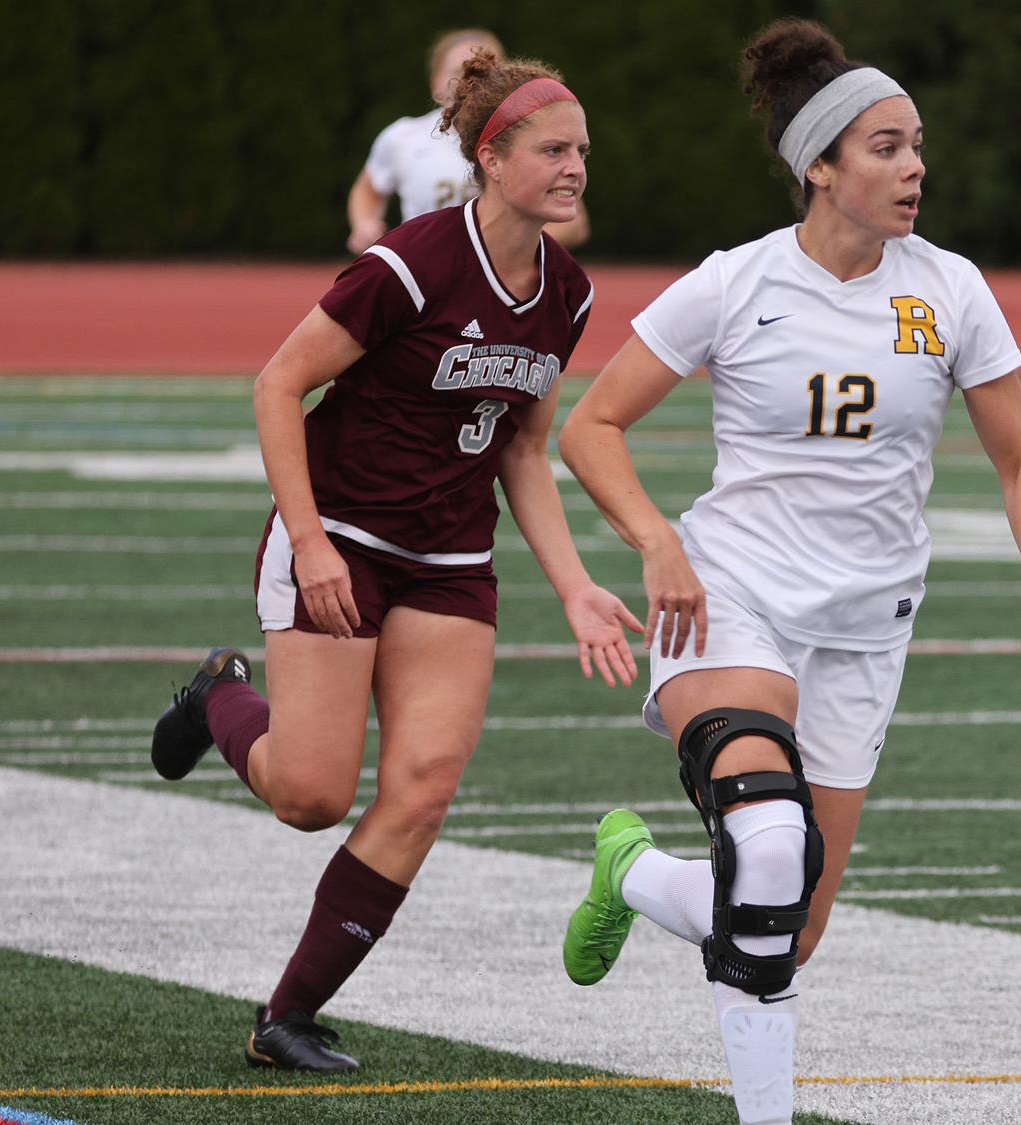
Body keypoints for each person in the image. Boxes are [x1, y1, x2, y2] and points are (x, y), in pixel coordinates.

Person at [555, 19, 1021, 1124]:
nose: (914, 168)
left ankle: (633, 875)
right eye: (887, 147)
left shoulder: (948, 290)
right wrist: (658, 540)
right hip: (730, 598)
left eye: (916, 145)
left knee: (788, 923)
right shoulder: (733, 282)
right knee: (765, 835)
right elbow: (591, 426)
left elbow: (1020, 459)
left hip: (863, 625)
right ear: (820, 165)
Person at [149, 48, 637, 1072]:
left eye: (582, 151)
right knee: (312, 796)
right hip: (342, 539)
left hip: (451, 561)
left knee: (420, 789)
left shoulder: (571, 293)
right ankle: (216, 699)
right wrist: (313, 541)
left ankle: (285, 1016)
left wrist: (578, 587)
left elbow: (522, 449)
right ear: (490, 157)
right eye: (553, 150)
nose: (575, 168)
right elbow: (278, 386)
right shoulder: (411, 262)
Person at [346, 28, 590, 256]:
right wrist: (364, 224)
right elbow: (368, 189)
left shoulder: (525, 137)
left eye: (483, 73)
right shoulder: (402, 136)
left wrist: (503, 248)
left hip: (500, 278)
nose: (470, 82)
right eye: (457, 72)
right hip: (422, 273)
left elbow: (574, 224)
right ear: (435, 81)